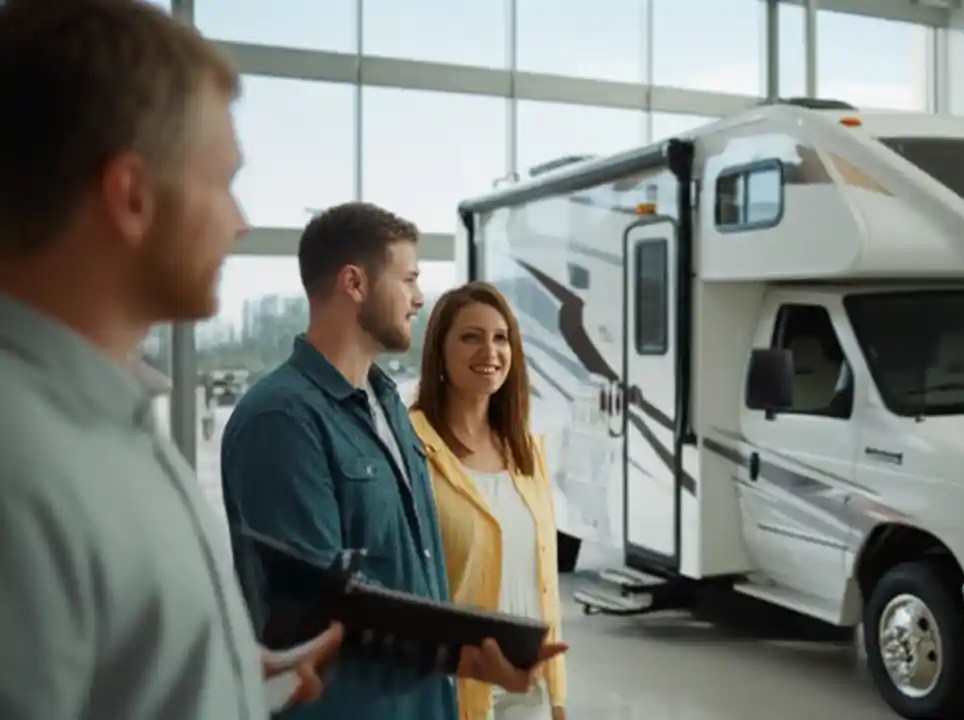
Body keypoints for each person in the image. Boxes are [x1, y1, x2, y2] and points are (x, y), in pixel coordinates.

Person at [0, 1, 342, 718]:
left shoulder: (103, 424)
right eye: (221, 180)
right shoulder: (22, 465)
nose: (241, 221)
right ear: (131, 195)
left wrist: (233, 679)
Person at [220, 203, 568, 720]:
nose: (419, 298)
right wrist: (464, 651)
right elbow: (320, 607)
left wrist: (476, 652)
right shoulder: (282, 420)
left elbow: (418, 578)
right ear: (355, 283)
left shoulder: (387, 407)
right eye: (408, 279)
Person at [408, 283, 569, 720]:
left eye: (501, 338)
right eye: (470, 337)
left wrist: (557, 695)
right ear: (439, 351)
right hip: (454, 683)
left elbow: (544, 579)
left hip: (529, 681)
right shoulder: (412, 445)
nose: (490, 351)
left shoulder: (526, 450)